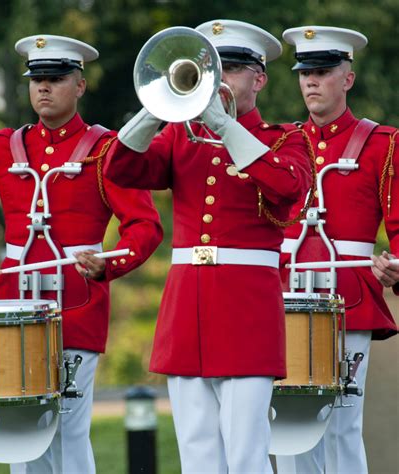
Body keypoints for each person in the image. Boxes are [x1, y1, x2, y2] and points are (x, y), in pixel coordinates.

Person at [0, 34, 163, 473]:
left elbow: (145, 227)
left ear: (80, 85)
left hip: (77, 302)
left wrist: (109, 263)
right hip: (14, 306)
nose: (44, 88)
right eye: (37, 80)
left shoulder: (106, 150)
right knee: (21, 427)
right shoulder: (4, 147)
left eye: (56, 78)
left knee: (70, 429)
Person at [104, 19, 313, 473]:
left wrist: (222, 122)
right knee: (196, 453)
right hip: (187, 306)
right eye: (210, 68)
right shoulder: (181, 137)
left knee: (245, 453)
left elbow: (285, 186)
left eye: (231, 68)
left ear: (259, 78)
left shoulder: (285, 138)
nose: (219, 78)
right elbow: (119, 169)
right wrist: (154, 105)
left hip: (246, 311)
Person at [276, 26, 399, 474]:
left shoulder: (382, 144)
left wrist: (397, 269)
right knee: (286, 425)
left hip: (348, 295)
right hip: (283, 296)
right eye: (304, 72)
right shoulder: (280, 141)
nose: (310, 81)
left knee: (342, 424)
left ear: (347, 79)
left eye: (323, 71)